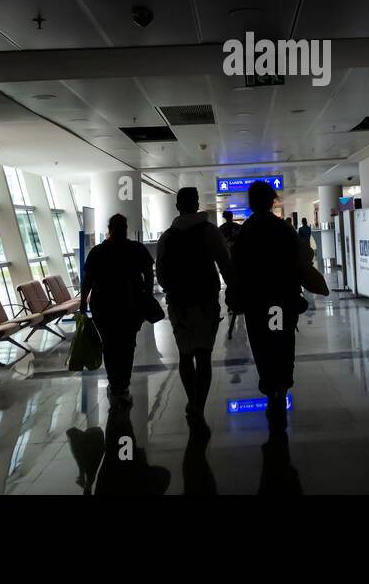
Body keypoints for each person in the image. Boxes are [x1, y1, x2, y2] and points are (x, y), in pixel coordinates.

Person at [228, 180, 304, 431]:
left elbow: (237, 269)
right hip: (280, 300)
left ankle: (271, 388)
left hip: (256, 301)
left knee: (261, 343)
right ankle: (281, 386)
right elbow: (297, 262)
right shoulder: (283, 229)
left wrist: (236, 296)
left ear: (250, 203)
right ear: (272, 201)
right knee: (281, 339)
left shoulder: (245, 232)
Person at [156, 187, 232, 423]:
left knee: (185, 356)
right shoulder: (209, 231)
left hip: (179, 304)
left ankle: (192, 400)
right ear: (197, 204)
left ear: (177, 206)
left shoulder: (167, 237)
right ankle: (199, 404)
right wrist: (234, 291)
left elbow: (161, 276)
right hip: (205, 303)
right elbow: (225, 264)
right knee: (204, 356)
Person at [79, 213, 154, 407]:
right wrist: (147, 294)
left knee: (110, 346)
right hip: (131, 305)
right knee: (127, 345)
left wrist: (82, 302)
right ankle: (123, 385)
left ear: (109, 229)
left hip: (103, 306)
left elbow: (88, 280)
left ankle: (115, 384)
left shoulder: (97, 252)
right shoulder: (135, 249)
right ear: (125, 228)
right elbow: (148, 272)